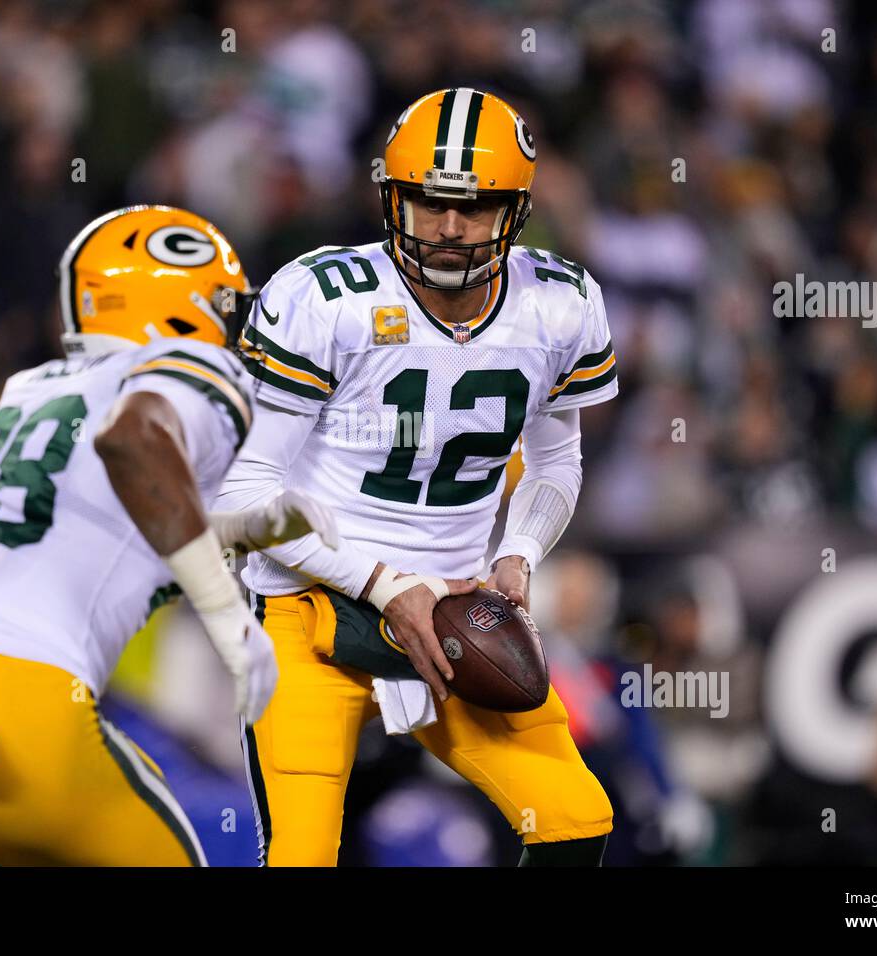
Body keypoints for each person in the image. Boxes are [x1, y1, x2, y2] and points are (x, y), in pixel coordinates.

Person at [0, 205, 336, 866]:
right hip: (21, 701)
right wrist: (231, 623)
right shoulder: (184, 365)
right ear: (182, 299)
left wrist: (250, 527)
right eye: (225, 305)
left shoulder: (30, 388)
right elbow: (135, 445)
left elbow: (107, 518)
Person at [216, 89, 618, 866]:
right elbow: (242, 498)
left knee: (576, 823)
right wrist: (382, 582)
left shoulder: (560, 305)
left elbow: (558, 458)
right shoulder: (325, 299)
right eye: (427, 203)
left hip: (457, 613)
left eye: (474, 207)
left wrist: (520, 554)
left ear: (518, 211)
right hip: (313, 611)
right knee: (300, 856)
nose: (447, 227)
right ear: (391, 196)